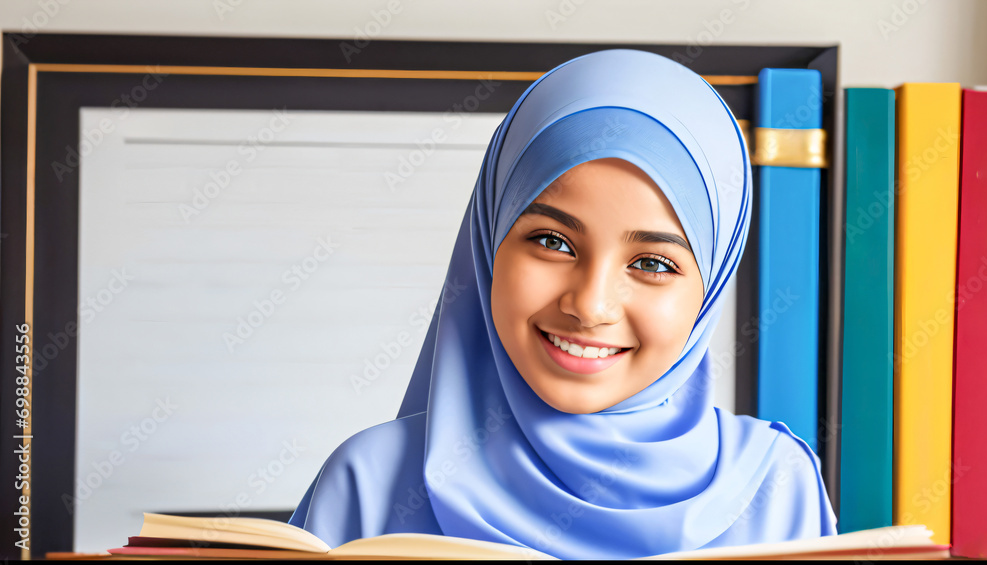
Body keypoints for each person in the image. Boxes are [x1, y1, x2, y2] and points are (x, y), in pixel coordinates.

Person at [288, 49, 837, 560]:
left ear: (710, 287)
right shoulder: (369, 482)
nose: (591, 305)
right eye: (552, 242)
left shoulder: (778, 487)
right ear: (489, 241)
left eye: (652, 264)